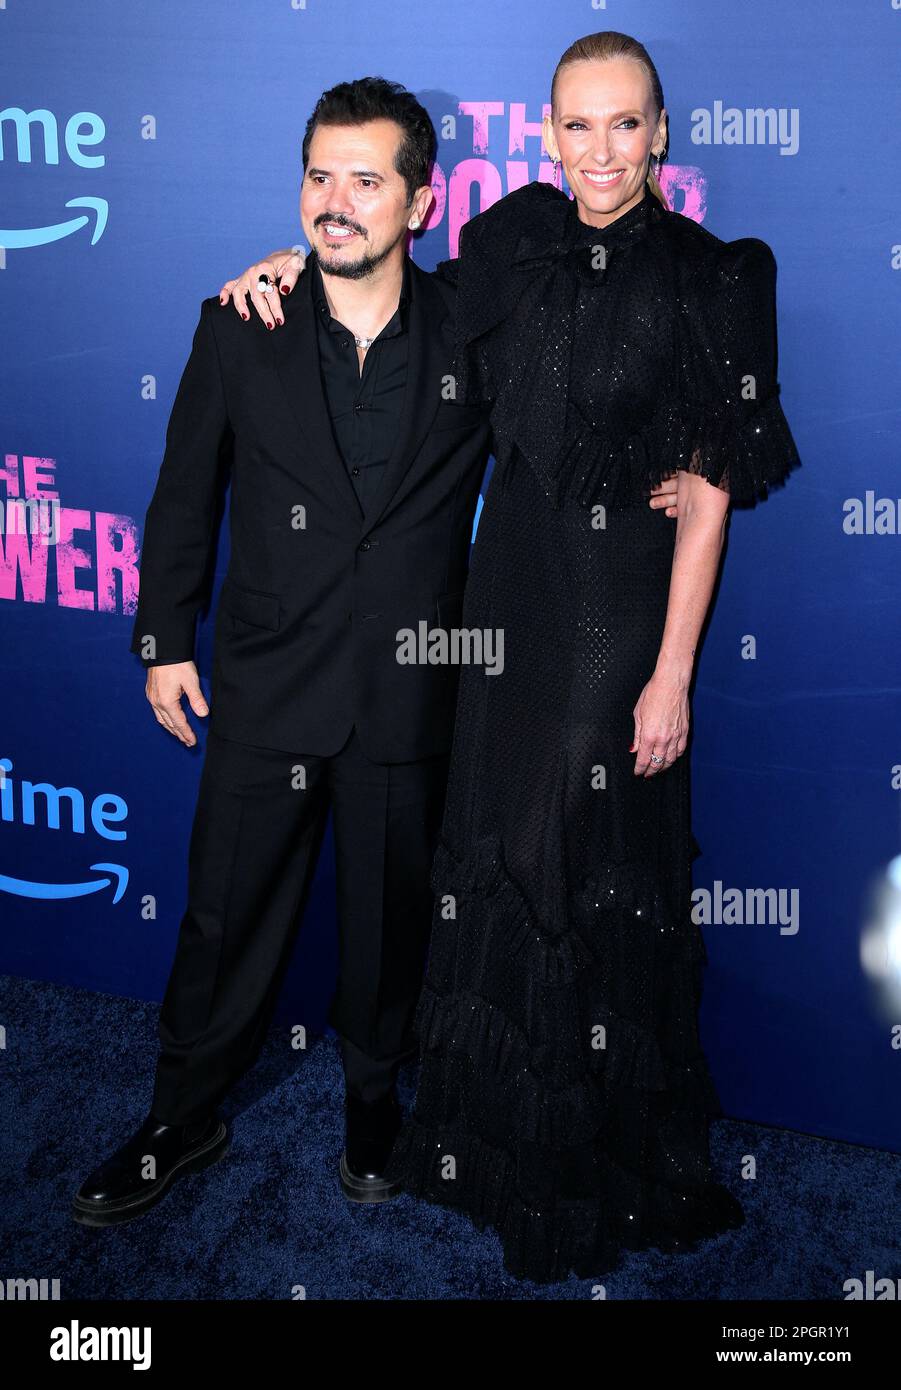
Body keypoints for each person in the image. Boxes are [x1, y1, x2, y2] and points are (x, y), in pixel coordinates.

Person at [72, 72, 683, 1230]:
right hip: (265, 680)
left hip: (412, 690)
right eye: (318, 177)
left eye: (366, 180)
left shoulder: (475, 328)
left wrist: (665, 467)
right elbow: (183, 494)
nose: (335, 203)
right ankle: (178, 1115)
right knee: (221, 917)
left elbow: (593, 349)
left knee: (392, 922)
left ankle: (370, 1105)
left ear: (421, 200)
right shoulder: (237, 323)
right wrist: (163, 638)